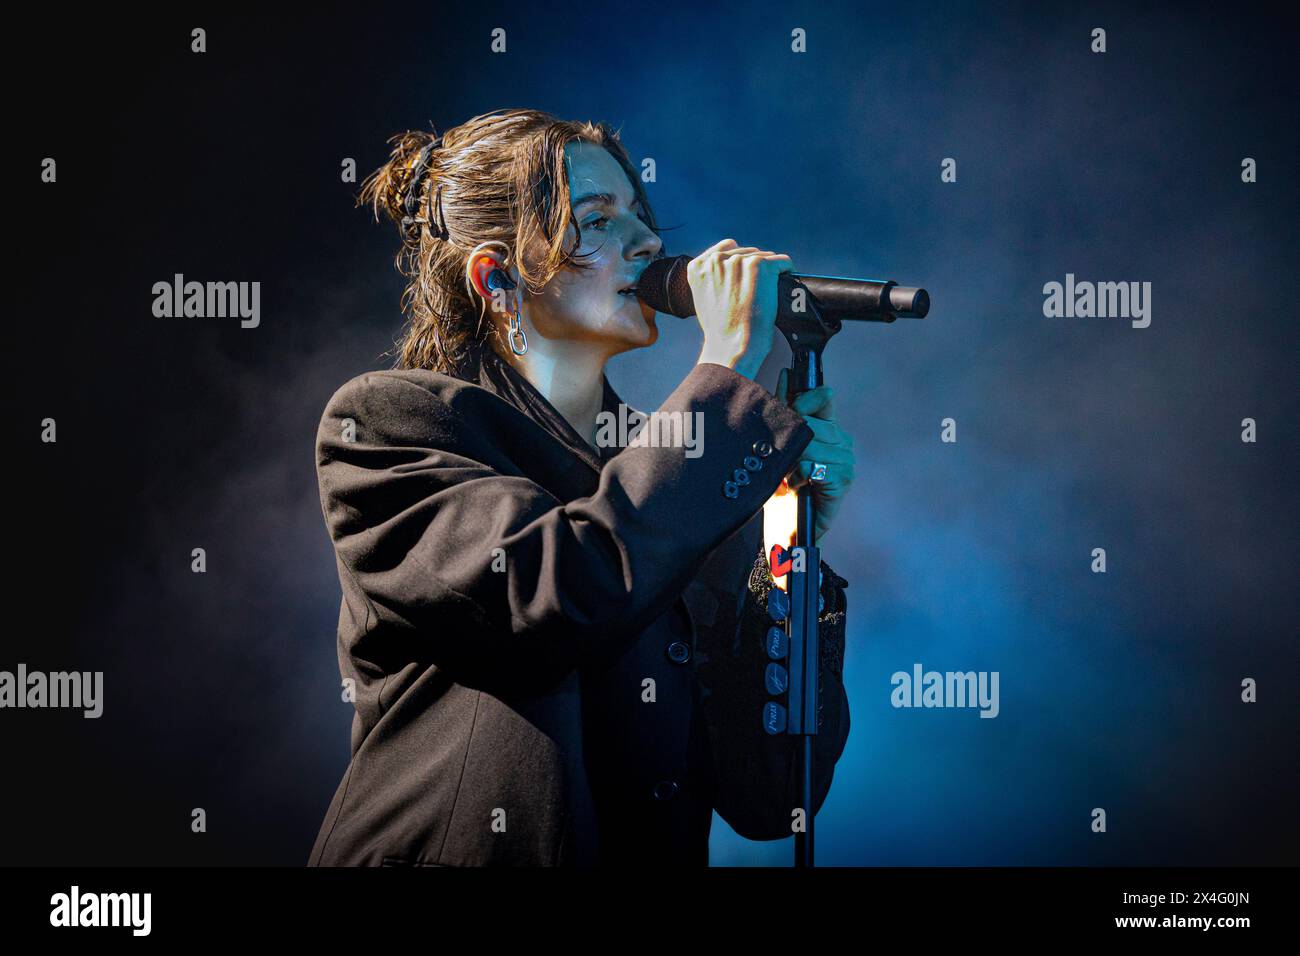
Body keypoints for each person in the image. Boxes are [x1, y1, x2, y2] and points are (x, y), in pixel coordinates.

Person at [308, 108, 856, 866]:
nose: (649, 243)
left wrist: (785, 536)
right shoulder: (391, 424)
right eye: (598, 219)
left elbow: (771, 800)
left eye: (641, 214)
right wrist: (726, 371)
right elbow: (558, 591)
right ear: (496, 277)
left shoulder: (673, 466)